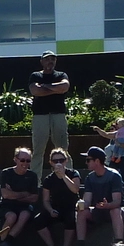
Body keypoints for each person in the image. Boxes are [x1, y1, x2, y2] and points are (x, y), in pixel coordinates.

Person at [74, 146, 124, 246]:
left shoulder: (114, 176)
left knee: (114, 211)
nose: (86, 163)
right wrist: (81, 204)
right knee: (81, 212)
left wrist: (107, 205)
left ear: (97, 161)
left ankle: (119, 245)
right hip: (99, 209)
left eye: (88, 160)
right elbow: (87, 200)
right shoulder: (90, 178)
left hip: (118, 210)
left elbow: (117, 201)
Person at [28, 51, 71, 182]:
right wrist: (55, 89)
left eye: (53, 59)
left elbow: (64, 87)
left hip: (58, 114)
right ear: (42, 61)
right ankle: (35, 182)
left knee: (63, 148)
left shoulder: (61, 75)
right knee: (38, 150)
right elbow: (35, 91)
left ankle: (68, 178)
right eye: (47, 59)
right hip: (40, 115)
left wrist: (45, 87)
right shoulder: (36, 75)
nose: (50, 61)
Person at [36, 147, 80, 246]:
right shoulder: (48, 180)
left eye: (61, 160)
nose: (58, 163)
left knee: (71, 219)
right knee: (38, 220)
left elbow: (75, 189)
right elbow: (45, 200)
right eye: (55, 161)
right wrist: (50, 210)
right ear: (51, 162)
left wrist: (63, 176)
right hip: (56, 208)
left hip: (71, 207)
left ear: (66, 161)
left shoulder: (73, 174)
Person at [0, 147, 42, 244]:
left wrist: (14, 195)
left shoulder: (32, 176)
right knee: (11, 217)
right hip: (7, 205)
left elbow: (34, 197)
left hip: (24, 206)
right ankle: (0, 240)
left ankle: (8, 241)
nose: (25, 163)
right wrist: (25, 193)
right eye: (22, 160)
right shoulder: (6, 173)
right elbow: (5, 194)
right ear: (15, 159)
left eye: (28, 161)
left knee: (24, 215)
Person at [94, 116, 124, 184]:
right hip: (115, 156)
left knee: (123, 173)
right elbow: (106, 134)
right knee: (111, 172)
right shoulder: (117, 133)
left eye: (118, 124)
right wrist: (98, 129)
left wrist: (119, 144)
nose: (117, 125)